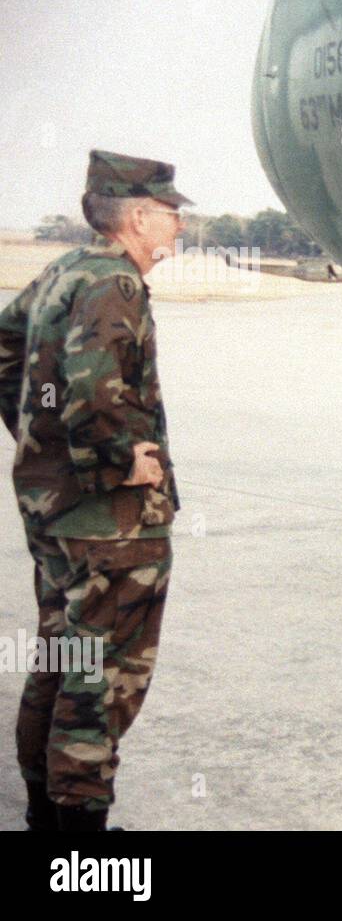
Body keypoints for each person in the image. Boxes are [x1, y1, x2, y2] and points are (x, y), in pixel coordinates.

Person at [0, 150, 186, 830]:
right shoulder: (115, 284)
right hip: (109, 520)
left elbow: (4, 346)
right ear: (139, 217)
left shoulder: (64, 271)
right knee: (100, 671)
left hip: (54, 507)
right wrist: (117, 456)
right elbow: (92, 379)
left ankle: (47, 813)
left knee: (62, 650)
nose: (180, 227)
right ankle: (79, 839)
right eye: (172, 213)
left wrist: (40, 441)